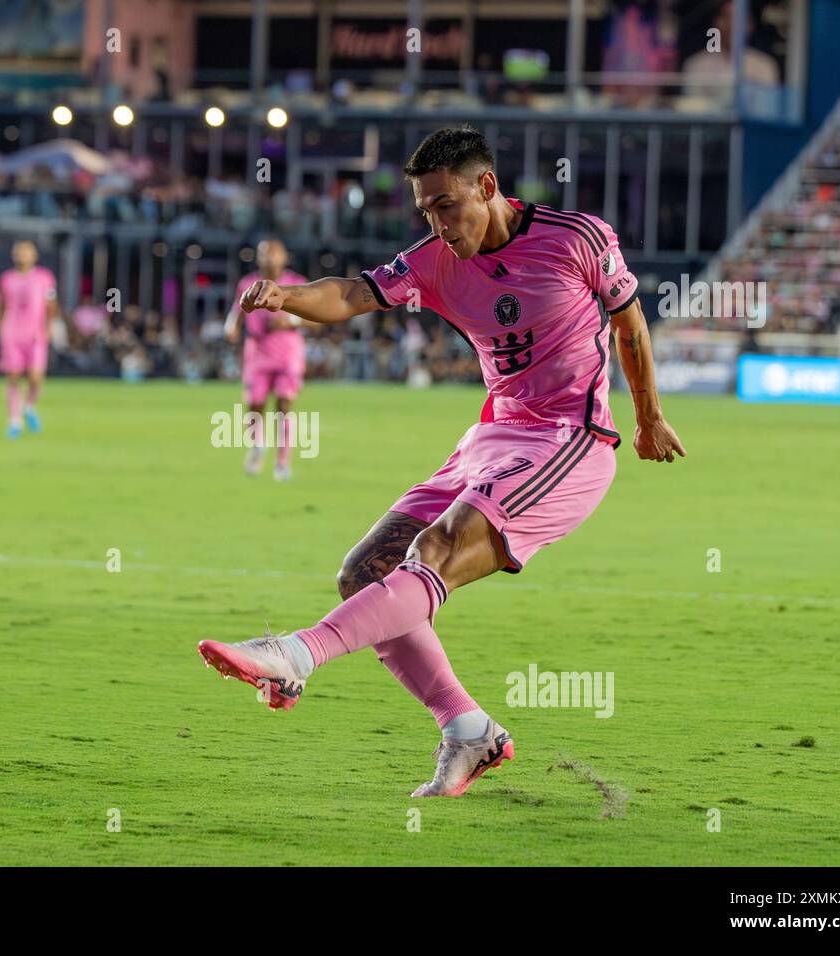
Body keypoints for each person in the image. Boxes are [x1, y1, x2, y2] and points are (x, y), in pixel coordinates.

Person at [198, 126, 686, 797]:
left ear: (487, 187)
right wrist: (288, 298)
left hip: (567, 440)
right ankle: (468, 730)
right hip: (492, 437)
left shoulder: (579, 238)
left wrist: (650, 418)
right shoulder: (434, 260)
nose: (438, 222)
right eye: (426, 209)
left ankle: (294, 654)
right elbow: (351, 295)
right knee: (362, 571)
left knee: (438, 549)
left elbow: (630, 323)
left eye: (447, 205)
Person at [223, 238, 308, 480]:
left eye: (274, 253)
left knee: (284, 404)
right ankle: (257, 445)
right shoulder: (247, 283)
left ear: (284, 257)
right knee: (255, 404)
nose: (269, 258)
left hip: (288, 353)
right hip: (258, 352)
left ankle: (282, 462)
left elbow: (316, 319)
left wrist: (290, 320)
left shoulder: (296, 284)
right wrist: (232, 327)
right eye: (264, 253)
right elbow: (237, 312)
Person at [0, 240, 58, 438]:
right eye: (19, 253)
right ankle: (14, 420)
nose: (22, 256)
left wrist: (49, 327)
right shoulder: (6, 279)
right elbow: (0, 310)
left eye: (26, 253)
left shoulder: (45, 278)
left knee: (36, 377)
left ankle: (29, 406)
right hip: (11, 333)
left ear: (34, 256)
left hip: (35, 334)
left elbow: (51, 306)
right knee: (13, 376)